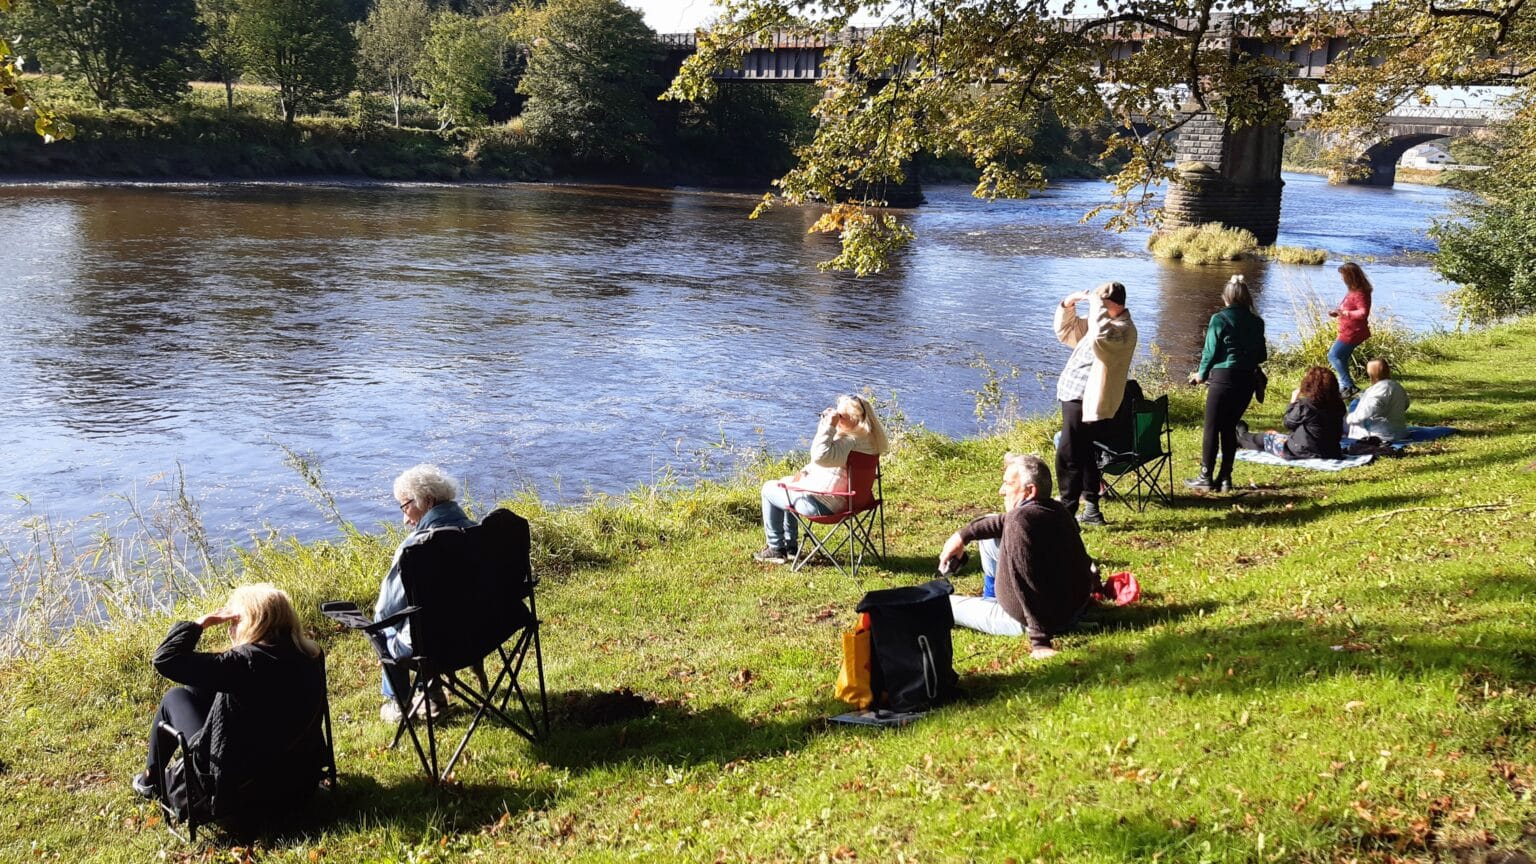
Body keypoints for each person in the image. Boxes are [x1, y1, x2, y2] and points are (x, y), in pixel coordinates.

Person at [131, 583, 327, 807]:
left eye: (235, 621)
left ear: (255, 622)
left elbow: (165, 659)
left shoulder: (244, 664)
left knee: (175, 697)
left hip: (243, 795)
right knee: (196, 687)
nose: (229, 628)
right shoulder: (309, 653)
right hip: (299, 778)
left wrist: (199, 624)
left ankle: (150, 781)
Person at [938, 453, 1098, 659]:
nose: (1001, 491)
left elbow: (1025, 580)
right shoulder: (1056, 509)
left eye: (1007, 484)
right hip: (1072, 608)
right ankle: (991, 596)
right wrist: (962, 536)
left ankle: (995, 607)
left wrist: (1040, 641)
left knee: (943, 603)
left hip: (1031, 620)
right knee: (988, 526)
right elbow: (997, 522)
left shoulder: (1018, 523)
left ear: (1029, 491)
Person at [374, 463, 476, 722]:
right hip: (484, 634)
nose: (405, 518)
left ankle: (402, 702)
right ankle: (430, 695)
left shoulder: (415, 549)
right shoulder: (480, 532)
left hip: (437, 647)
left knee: (382, 629)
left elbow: (386, 611)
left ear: (428, 501)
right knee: (427, 619)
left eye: (405, 505)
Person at [756, 394, 890, 563]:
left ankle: (776, 548)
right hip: (854, 501)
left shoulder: (849, 441)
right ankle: (790, 547)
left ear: (854, 418)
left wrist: (828, 425)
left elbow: (820, 456)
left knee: (768, 488)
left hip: (825, 507)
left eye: (841, 416)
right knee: (787, 482)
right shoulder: (870, 439)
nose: (838, 418)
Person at [1054, 281, 1138, 525]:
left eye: (1100, 304)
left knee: (1068, 454)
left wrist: (1095, 304)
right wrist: (1067, 304)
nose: (1094, 308)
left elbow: (1100, 337)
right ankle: (1091, 509)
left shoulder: (1123, 330)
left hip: (1085, 398)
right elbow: (1067, 331)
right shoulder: (1102, 321)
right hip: (1073, 394)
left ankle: (1066, 511)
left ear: (1111, 305)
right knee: (1084, 451)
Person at [1186, 275, 1267, 492]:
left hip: (1223, 379)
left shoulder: (1219, 319)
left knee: (1212, 428)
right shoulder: (1258, 322)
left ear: (1226, 298)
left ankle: (1205, 476)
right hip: (1247, 380)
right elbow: (1262, 354)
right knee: (1229, 427)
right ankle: (1225, 477)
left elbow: (1209, 352)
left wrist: (1200, 375)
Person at [1236, 366, 1346, 460]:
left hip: (1303, 451)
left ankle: (1241, 437)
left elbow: (1288, 423)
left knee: (1268, 437)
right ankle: (1242, 436)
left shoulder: (1305, 405)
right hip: (1332, 452)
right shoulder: (1339, 404)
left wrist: (1293, 401)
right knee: (1274, 438)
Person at [1328, 262, 1373, 397]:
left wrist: (1346, 313)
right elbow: (1349, 309)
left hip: (1353, 332)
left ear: (1350, 276)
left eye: (1342, 275)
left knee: (1333, 355)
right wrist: (1338, 312)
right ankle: (1345, 388)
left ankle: (1349, 386)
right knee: (1341, 358)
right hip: (1349, 330)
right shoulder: (1353, 291)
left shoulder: (1360, 293)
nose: (1341, 278)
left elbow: (1363, 312)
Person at [1346, 358, 1411, 442]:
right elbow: (1406, 404)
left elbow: (1368, 412)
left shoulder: (1380, 389)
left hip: (1379, 436)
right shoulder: (1397, 385)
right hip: (1400, 432)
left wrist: (1349, 419)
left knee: (1354, 404)